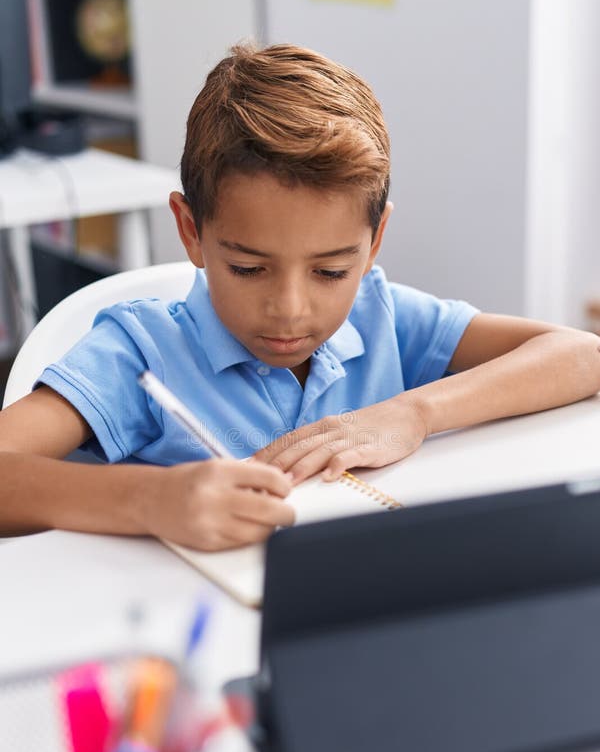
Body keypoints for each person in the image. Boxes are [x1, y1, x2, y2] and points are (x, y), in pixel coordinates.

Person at [1, 43, 599, 550]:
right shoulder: (141, 352)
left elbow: (580, 355)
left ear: (374, 242)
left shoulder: (383, 316)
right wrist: (148, 501)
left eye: (331, 272)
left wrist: (413, 412)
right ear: (190, 231)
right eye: (248, 267)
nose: (289, 308)